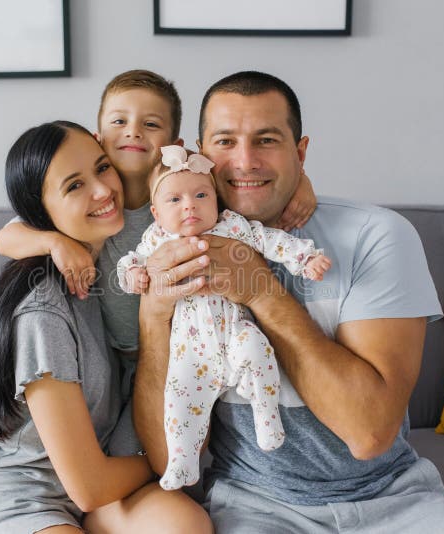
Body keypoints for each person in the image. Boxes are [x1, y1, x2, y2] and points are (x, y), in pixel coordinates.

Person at [133, 72, 444, 533]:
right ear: (198, 154)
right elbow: (167, 455)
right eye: (225, 142)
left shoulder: (375, 236)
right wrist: (153, 313)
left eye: (266, 140)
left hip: (397, 499)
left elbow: (368, 434)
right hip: (254, 505)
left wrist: (260, 289)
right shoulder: (166, 251)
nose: (244, 162)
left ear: (300, 153)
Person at [0, 70, 318, 444]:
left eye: (150, 124)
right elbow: (5, 236)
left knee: (170, 439)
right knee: (131, 446)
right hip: (113, 358)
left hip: (179, 349)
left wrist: (302, 182)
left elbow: (238, 183)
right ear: (98, 138)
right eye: (120, 122)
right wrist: (55, 244)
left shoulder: (181, 193)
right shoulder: (91, 199)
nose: (133, 132)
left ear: (175, 145)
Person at [0, 121, 211, 534]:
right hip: (25, 500)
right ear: (41, 213)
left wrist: (302, 191)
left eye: (103, 168)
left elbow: (213, 199)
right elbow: (88, 487)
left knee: (184, 525)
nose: (102, 191)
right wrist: (166, 461)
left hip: (97, 498)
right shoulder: (42, 310)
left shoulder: (115, 256)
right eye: (74, 186)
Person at [117, 145, 331, 490]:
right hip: (191, 348)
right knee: (180, 397)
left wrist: (303, 258)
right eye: (175, 200)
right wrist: (133, 276)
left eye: (201, 195)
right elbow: (130, 261)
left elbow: (269, 239)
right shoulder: (156, 240)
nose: (189, 205)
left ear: (217, 200)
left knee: (257, 350)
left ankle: (266, 416)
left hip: (234, 332)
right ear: (156, 213)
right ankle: (183, 461)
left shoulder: (231, 226)